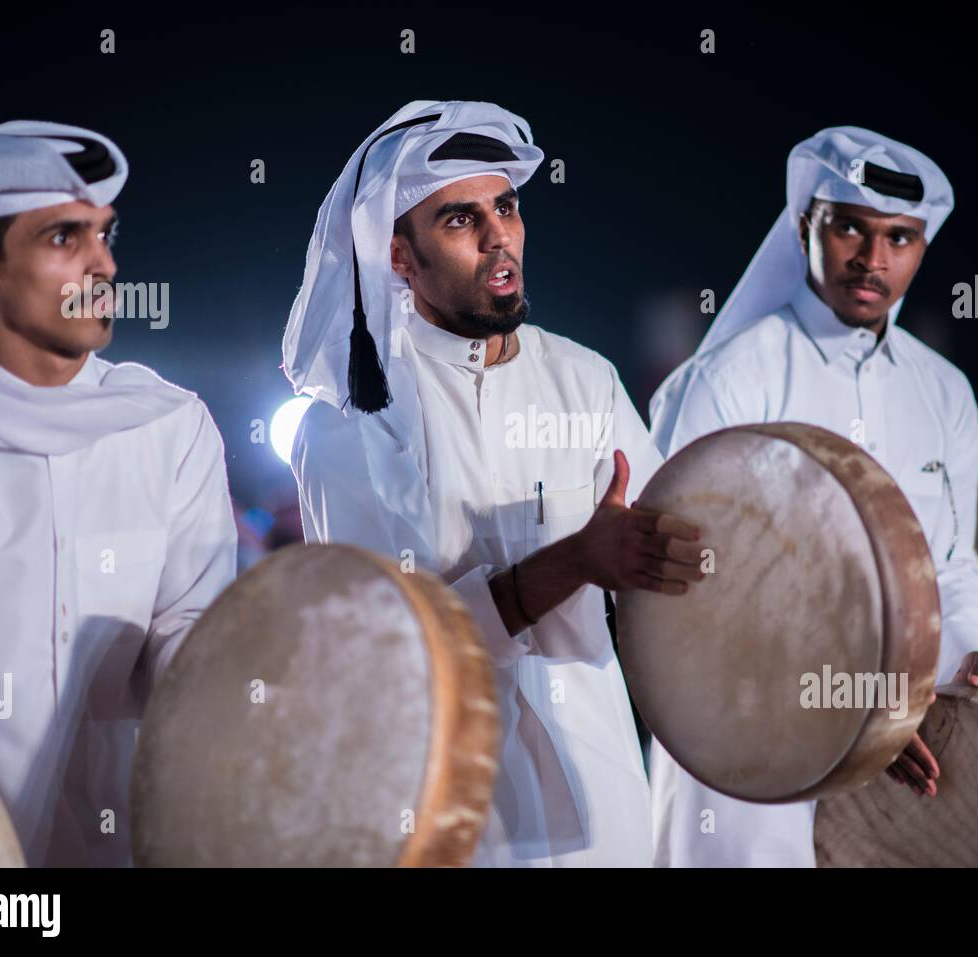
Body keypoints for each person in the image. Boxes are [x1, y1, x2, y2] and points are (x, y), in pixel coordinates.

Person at [283, 100, 702, 866]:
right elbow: (396, 648)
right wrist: (576, 561)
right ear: (398, 259)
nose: (497, 235)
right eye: (458, 220)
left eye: (504, 207)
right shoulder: (349, 425)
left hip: (605, 802)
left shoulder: (586, 380)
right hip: (450, 820)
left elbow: (677, 574)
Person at [647, 126, 978, 866]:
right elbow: (683, 591)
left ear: (923, 248)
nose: (873, 259)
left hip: (910, 754)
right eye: (849, 226)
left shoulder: (943, 392)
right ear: (804, 225)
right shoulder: (730, 378)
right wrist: (848, 706)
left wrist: (974, 655)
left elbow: (948, 569)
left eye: (900, 237)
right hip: (747, 753)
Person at [0, 122, 237, 866]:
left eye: (104, 234)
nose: (105, 264)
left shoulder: (166, 425)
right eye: (65, 239)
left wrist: (249, 677)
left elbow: (188, 628)